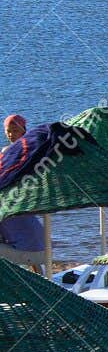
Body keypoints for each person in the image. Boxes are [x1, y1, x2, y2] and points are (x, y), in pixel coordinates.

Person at [0, 115, 46, 271]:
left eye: (15, 130)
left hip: (27, 250)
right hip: (41, 248)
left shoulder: (23, 150)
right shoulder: (12, 150)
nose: (11, 134)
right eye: (8, 131)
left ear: (23, 130)